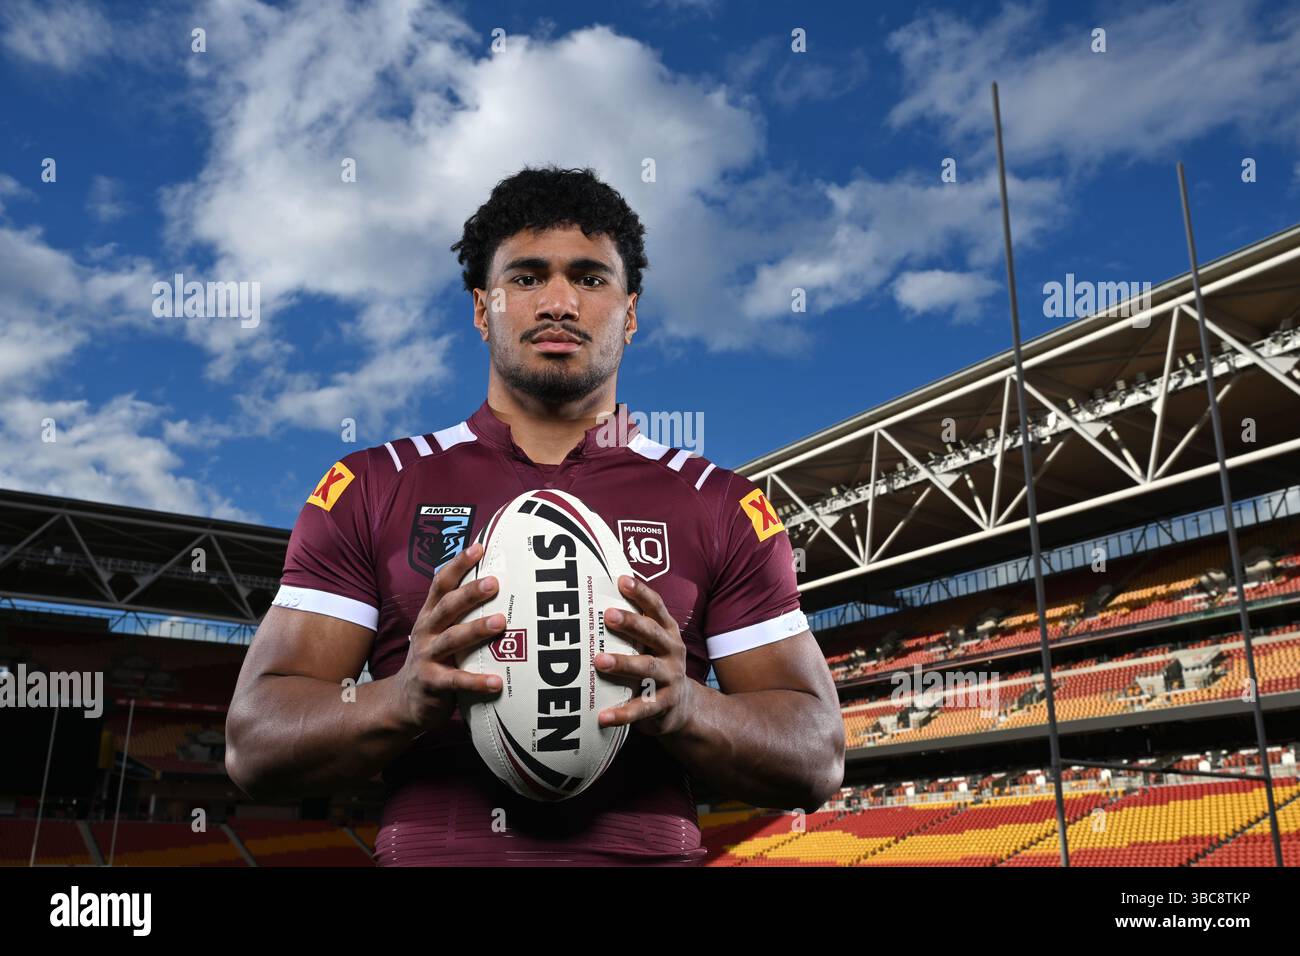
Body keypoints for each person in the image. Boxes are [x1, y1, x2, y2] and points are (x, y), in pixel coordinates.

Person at [225, 165, 844, 865]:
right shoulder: (370, 485)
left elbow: (816, 756)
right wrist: (400, 698)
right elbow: (254, 746)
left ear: (630, 313)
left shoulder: (722, 503)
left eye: (589, 277)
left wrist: (686, 707)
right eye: (526, 277)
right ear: (483, 308)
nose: (558, 303)